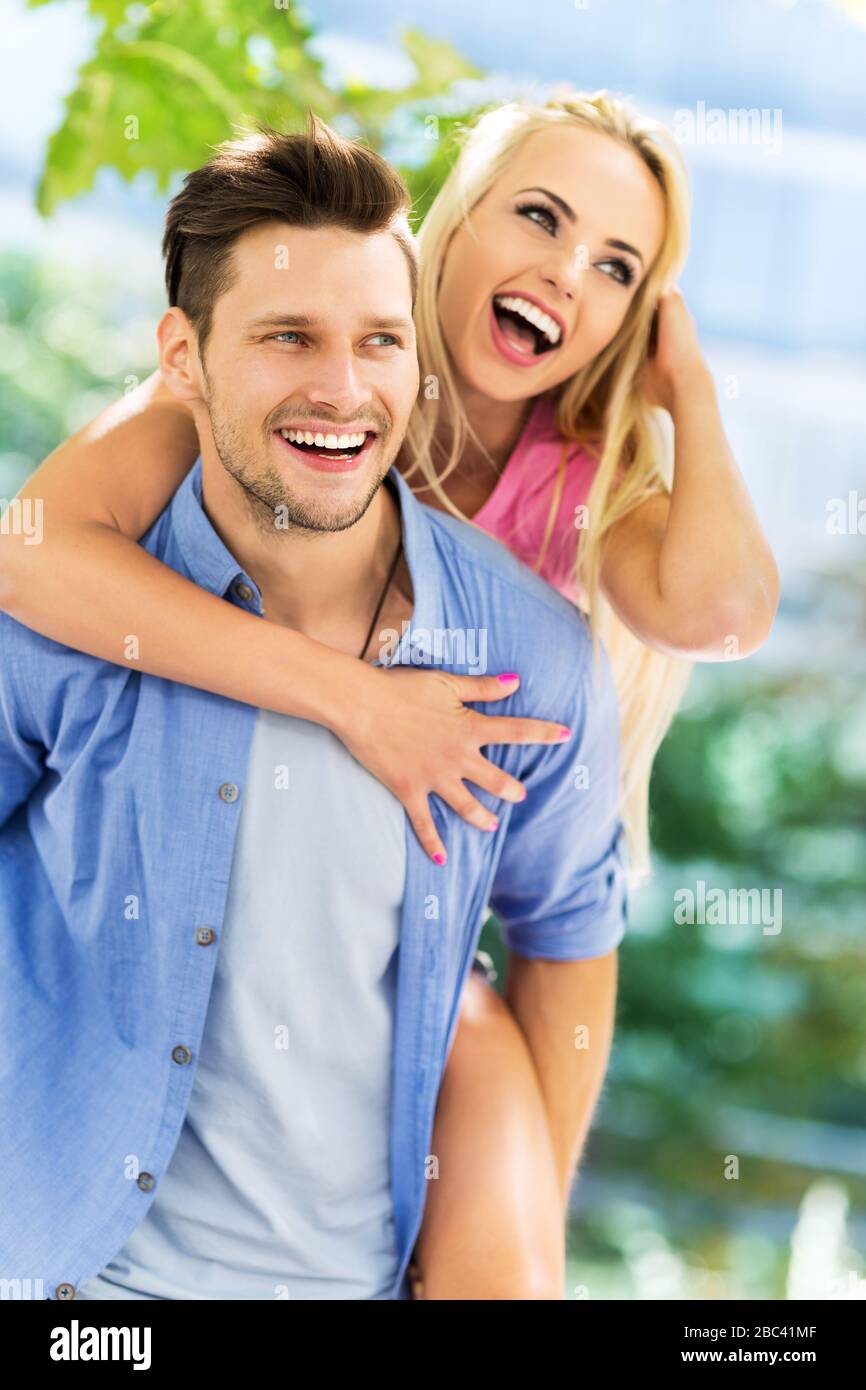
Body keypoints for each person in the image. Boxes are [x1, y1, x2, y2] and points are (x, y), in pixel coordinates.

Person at [0, 117, 626, 1302]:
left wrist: (502, 1230)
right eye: (288, 336)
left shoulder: (528, 663)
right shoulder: (68, 621)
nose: (342, 390)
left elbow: (567, 934)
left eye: (379, 341)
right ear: (181, 359)